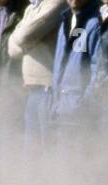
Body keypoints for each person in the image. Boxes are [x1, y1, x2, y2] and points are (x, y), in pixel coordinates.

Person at [9, 0, 66, 151]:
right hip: (33, 90)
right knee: (31, 150)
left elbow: (22, 37)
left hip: (47, 89)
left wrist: (23, 42)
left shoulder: (55, 4)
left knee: (46, 148)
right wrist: (25, 41)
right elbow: (11, 50)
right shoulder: (32, 8)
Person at [49, 0, 102, 143]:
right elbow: (58, 67)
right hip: (61, 110)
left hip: (80, 115)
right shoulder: (65, 21)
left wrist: (85, 104)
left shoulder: (95, 23)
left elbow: (99, 69)